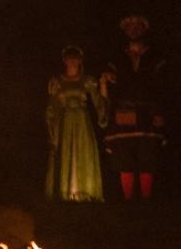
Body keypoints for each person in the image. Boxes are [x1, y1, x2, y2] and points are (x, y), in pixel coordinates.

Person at [102, 14, 165, 201]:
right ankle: (129, 202)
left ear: (144, 29)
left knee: (147, 156)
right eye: (129, 27)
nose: (133, 29)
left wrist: (160, 112)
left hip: (148, 111)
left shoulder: (156, 57)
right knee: (124, 155)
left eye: (137, 26)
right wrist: (106, 79)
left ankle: (145, 201)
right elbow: (109, 88)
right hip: (124, 111)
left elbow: (162, 86)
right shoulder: (116, 58)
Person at [45, 45, 106, 202]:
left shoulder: (87, 81)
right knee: (65, 151)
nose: (72, 61)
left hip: (82, 123)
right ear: (64, 61)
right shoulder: (57, 82)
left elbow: (98, 101)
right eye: (69, 58)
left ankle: (84, 190)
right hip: (64, 123)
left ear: (80, 61)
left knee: (82, 150)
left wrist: (103, 116)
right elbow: (52, 106)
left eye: (75, 58)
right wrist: (52, 129)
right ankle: (65, 190)